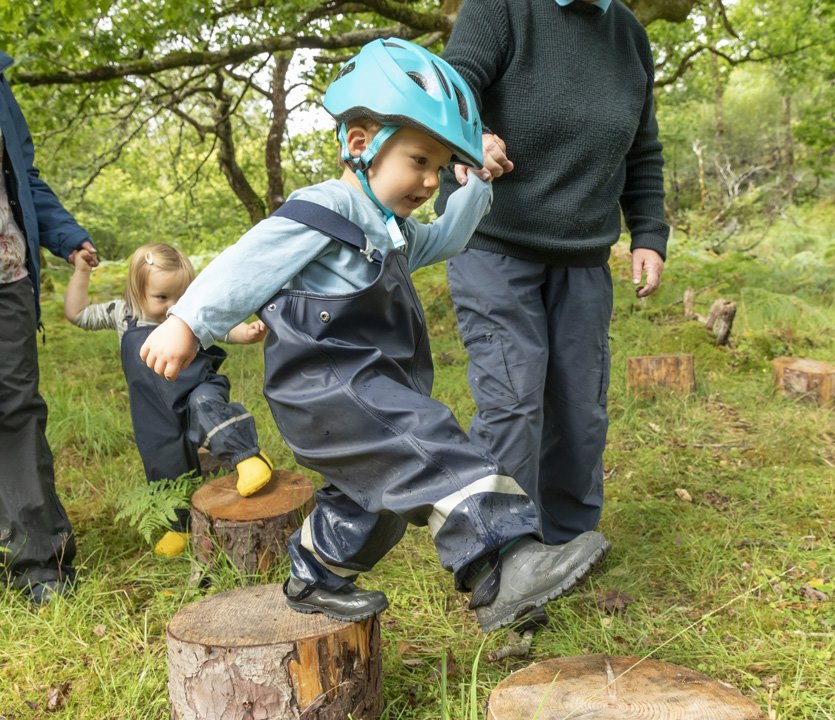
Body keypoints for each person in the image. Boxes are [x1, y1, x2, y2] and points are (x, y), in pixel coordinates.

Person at [138, 38, 610, 632]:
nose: (429, 181)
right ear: (361, 144)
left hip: (367, 388)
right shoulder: (324, 209)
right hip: (325, 386)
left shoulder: (391, 231)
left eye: (438, 168)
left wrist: (478, 185)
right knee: (431, 445)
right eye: (419, 161)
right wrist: (187, 322)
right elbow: (245, 262)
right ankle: (505, 563)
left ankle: (314, 574)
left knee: (378, 503)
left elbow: (447, 239)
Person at [437, 0, 670, 555]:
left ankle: (568, 540)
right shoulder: (500, 10)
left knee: (578, 405)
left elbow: (642, 149)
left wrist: (648, 234)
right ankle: (497, 552)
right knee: (513, 402)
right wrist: (471, 140)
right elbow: (448, 94)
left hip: (584, 254)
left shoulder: (629, 36)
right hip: (494, 241)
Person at [64, 242, 274, 557]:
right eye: (162, 298)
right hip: (154, 403)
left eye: (182, 296)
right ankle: (179, 525)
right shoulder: (123, 314)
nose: (174, 306)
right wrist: (82, 271)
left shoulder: (190, 311)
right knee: (162, 455)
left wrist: (245, 333)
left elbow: (221, 325)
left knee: (207, 407)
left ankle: (248, 457)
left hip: (196, 385)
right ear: (136, 292)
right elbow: (77, 313)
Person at [0, 49, 96, 604]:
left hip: (5, 271)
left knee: (15, 410)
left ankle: (41, 564)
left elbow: (22, 176)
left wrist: (66, 234)